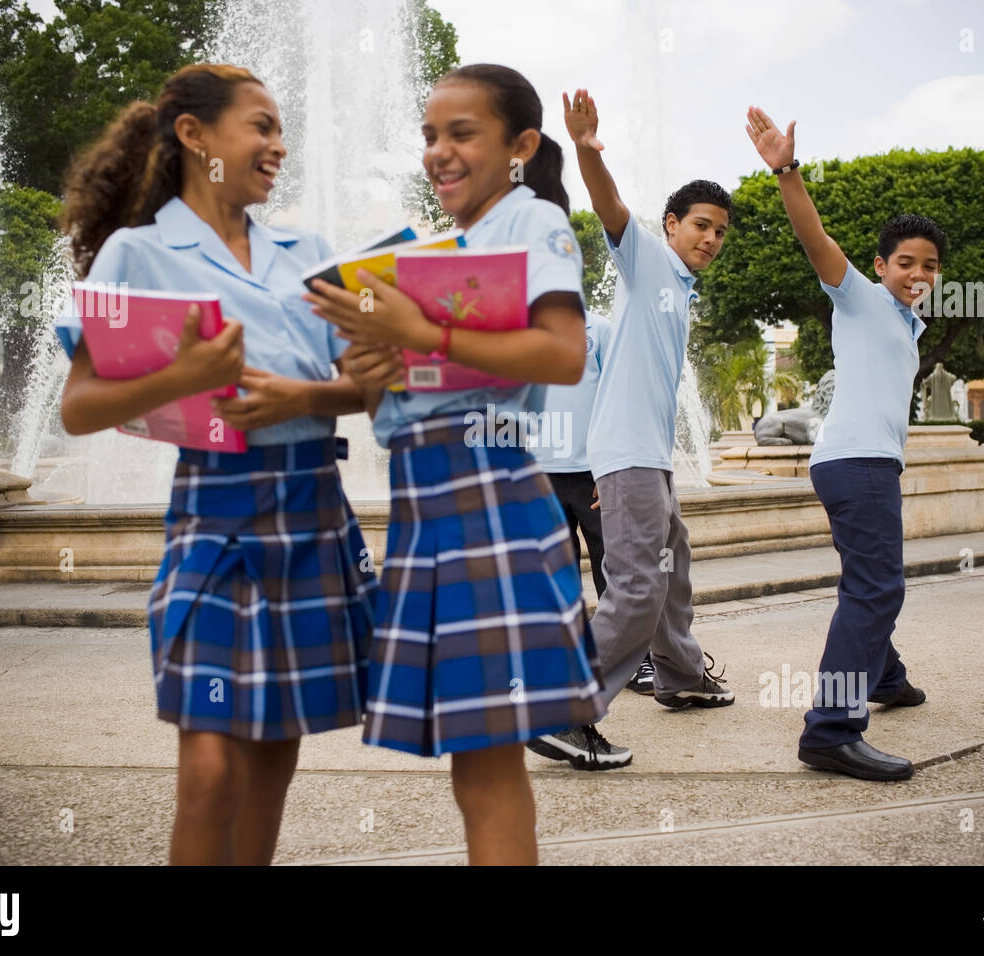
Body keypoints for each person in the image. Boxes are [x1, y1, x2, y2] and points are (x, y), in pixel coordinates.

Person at [56, 63, 378, 863]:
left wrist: (301, 398)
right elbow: (80, 405)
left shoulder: (309, 251)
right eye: (260, 126)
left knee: (274, 752)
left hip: (312, 507)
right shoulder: (137, 252)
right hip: (214, 511)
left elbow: (365, 390)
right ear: (195, 137)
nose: (278, 144)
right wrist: (186, 378)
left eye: (279, 130)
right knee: (208, 765)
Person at [305, 64, 611, 865]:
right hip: (426, 498)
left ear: (521, 146)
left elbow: (563, 352)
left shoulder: (532, 222)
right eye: (429, 137)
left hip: (490, 495)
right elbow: (398, 401)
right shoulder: (447, 248)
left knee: (488, 761)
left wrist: (419, 333)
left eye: (461, 134)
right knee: (476, 759)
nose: (439, 152)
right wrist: (369, 369)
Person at [527, 89, 736, 772]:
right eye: (699, 225)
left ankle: (679, 675)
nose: (709, 238)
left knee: (670, 569)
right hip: (628, 460)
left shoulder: (679, 288)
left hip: (647, 457)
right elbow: (612, 210)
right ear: (671, 224)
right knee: (639, 587)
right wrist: (588, 150)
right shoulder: (650, 262)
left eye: (720, 231)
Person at [745, 105, 934, 783]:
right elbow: (815, 237)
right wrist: (787, 171)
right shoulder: (859, 298)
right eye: (904, 262)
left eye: (929, 265)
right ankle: (830, 729)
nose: (917, 273)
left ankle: (886, 676)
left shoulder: (909, 325)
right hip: (857, 465)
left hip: (860, 463)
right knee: (877, 588)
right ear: (881, 265)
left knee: (872, 581)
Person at [529, 310, 613, 600]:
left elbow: (617, 400)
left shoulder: (600, 330)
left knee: (612, 573)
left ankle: (621, 645)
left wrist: (611, 468)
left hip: (593, 476)